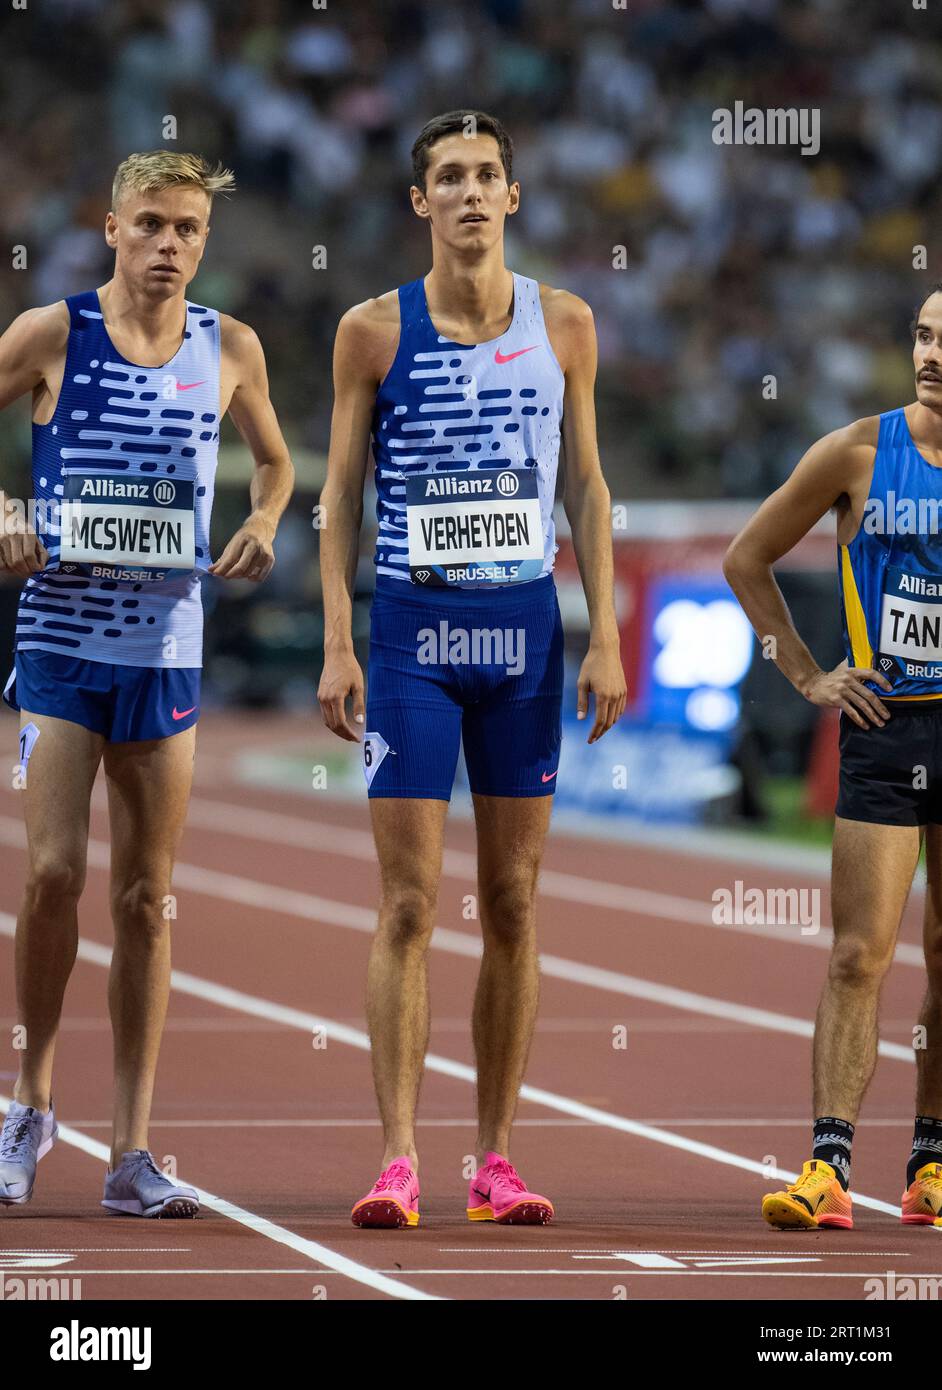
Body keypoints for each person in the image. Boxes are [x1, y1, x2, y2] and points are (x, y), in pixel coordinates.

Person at [317, 110, 626, 1228]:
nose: (470, 192)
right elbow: (338, 498)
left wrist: (604, 630)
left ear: (513, 194)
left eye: (488, 174)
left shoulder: (569, 323)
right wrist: (339, 640)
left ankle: (494, 1159)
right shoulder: (371, 332)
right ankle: (397, 1157)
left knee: (512, 900)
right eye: (448, 176)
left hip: (524, 634)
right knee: (408, 902)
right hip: (412, 633)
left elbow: (586, 486)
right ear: (421, 202)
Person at [0, 151, 294, 1217]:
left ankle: (130, 1148)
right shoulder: (53, 335)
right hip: (63, 646)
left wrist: (263, 519)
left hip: (166, 654)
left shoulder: (231, 347)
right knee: (51, 877)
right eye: (156, 225)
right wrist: (4, 509)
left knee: (145, 902)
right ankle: (29, 1102)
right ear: (113, 228)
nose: (173, 245)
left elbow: (275, 459)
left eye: (192, 230)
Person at [724, 282, 942, 1231]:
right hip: (885, 727)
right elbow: (747, 558)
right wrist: (807, 676)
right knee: (861, 954)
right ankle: (828, 1167)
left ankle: (932, 1168)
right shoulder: (859, 452)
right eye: (924, 336)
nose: (931, 355)